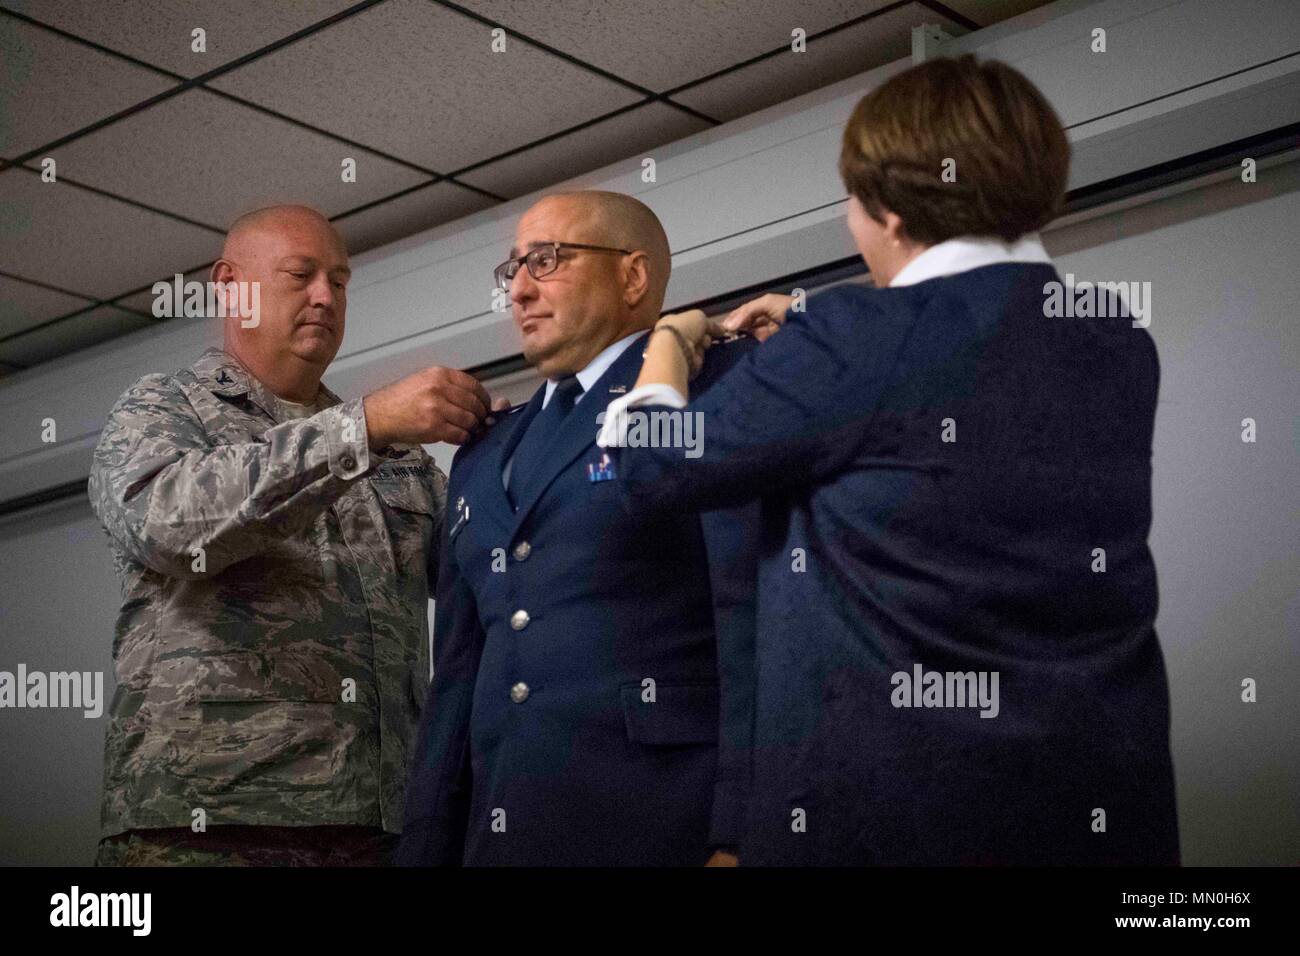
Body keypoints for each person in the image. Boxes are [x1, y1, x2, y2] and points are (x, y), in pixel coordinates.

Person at [599, 55, 1180, 865]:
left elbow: (647, 466)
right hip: (1101, 806)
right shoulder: (1116, 340)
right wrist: (810, 328)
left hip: (893, 814)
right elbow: (964, 369)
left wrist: (668, 343)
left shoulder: (855, 340)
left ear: (892, 210)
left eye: (851, 200)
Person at [89, 204, 503, 866]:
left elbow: (484, 578)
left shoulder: (395, 455)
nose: (324, 296)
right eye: (300, 274)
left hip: (380, 829)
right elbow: (168, 525)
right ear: (229, 284)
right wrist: (360, 428)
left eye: (338, 281)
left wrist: (519, 450)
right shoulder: (163, 408)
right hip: (212, 822)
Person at [397, 191, 759, 866]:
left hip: (661, 822)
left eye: (547, 260)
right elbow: (457, 677)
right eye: (513, 271)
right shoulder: (485, 447)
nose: (521, 291)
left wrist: (740, 829)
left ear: (632, 275)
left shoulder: (715, 389)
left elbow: (753, 618)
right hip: (502, 829)